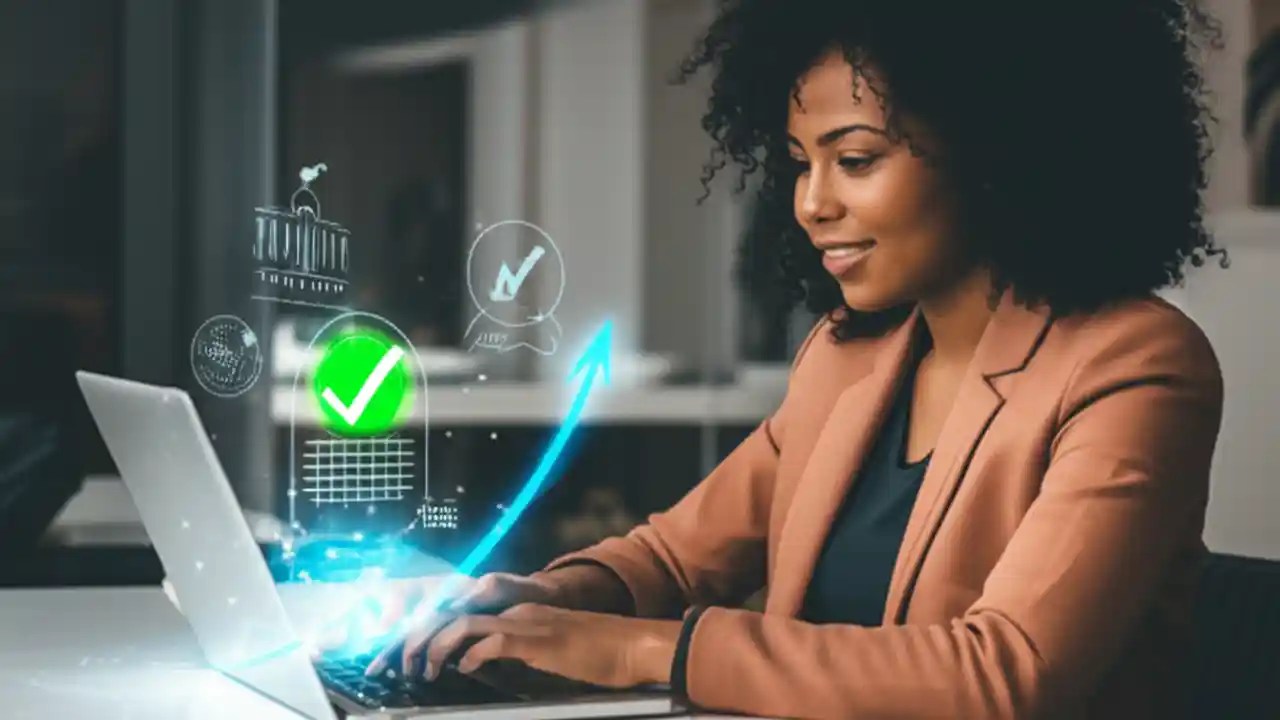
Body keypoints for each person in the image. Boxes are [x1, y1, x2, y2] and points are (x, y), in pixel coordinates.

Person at [366, 1, 1230, 717]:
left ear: (995, 149)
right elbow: (673, 558)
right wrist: (535, 601)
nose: (812, 204)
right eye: (797, 164)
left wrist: (638, 649)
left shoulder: (1133, 364)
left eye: (854, 159)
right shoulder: (847, 358)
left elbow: (1003, 675)